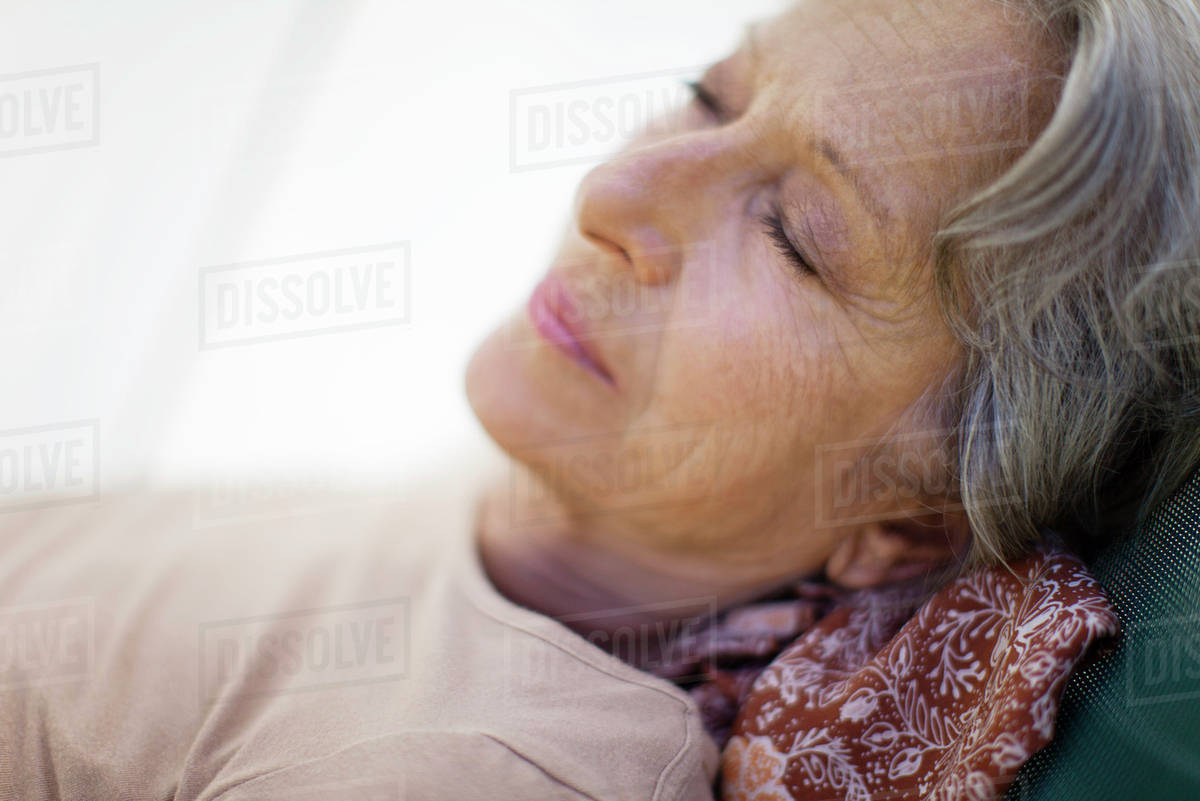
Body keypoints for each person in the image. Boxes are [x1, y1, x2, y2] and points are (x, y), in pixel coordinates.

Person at [1, 0, 1196, 799]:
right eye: (709, 98)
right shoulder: (547, 501)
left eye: (792, 237)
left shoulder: (473, 771)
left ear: (914, 521)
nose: (617, 188)